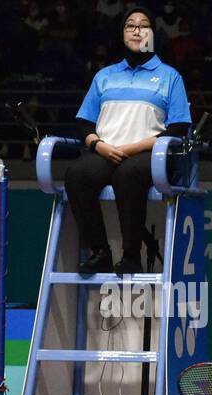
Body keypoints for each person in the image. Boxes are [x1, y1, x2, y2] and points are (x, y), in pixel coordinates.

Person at [68, 6, 191, 275]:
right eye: (130, 25)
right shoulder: (105, 76)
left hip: (149, 154)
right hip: (105, 151)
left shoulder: (169, 76)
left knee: (128, 174)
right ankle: (99, 252)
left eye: (143, 25)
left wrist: (131, 148)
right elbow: (84, 123)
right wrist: (97, 145)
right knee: (77, 174)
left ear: (152, 34)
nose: (137, 30)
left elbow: (179, 127)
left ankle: (131, 255)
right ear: (122, 33)